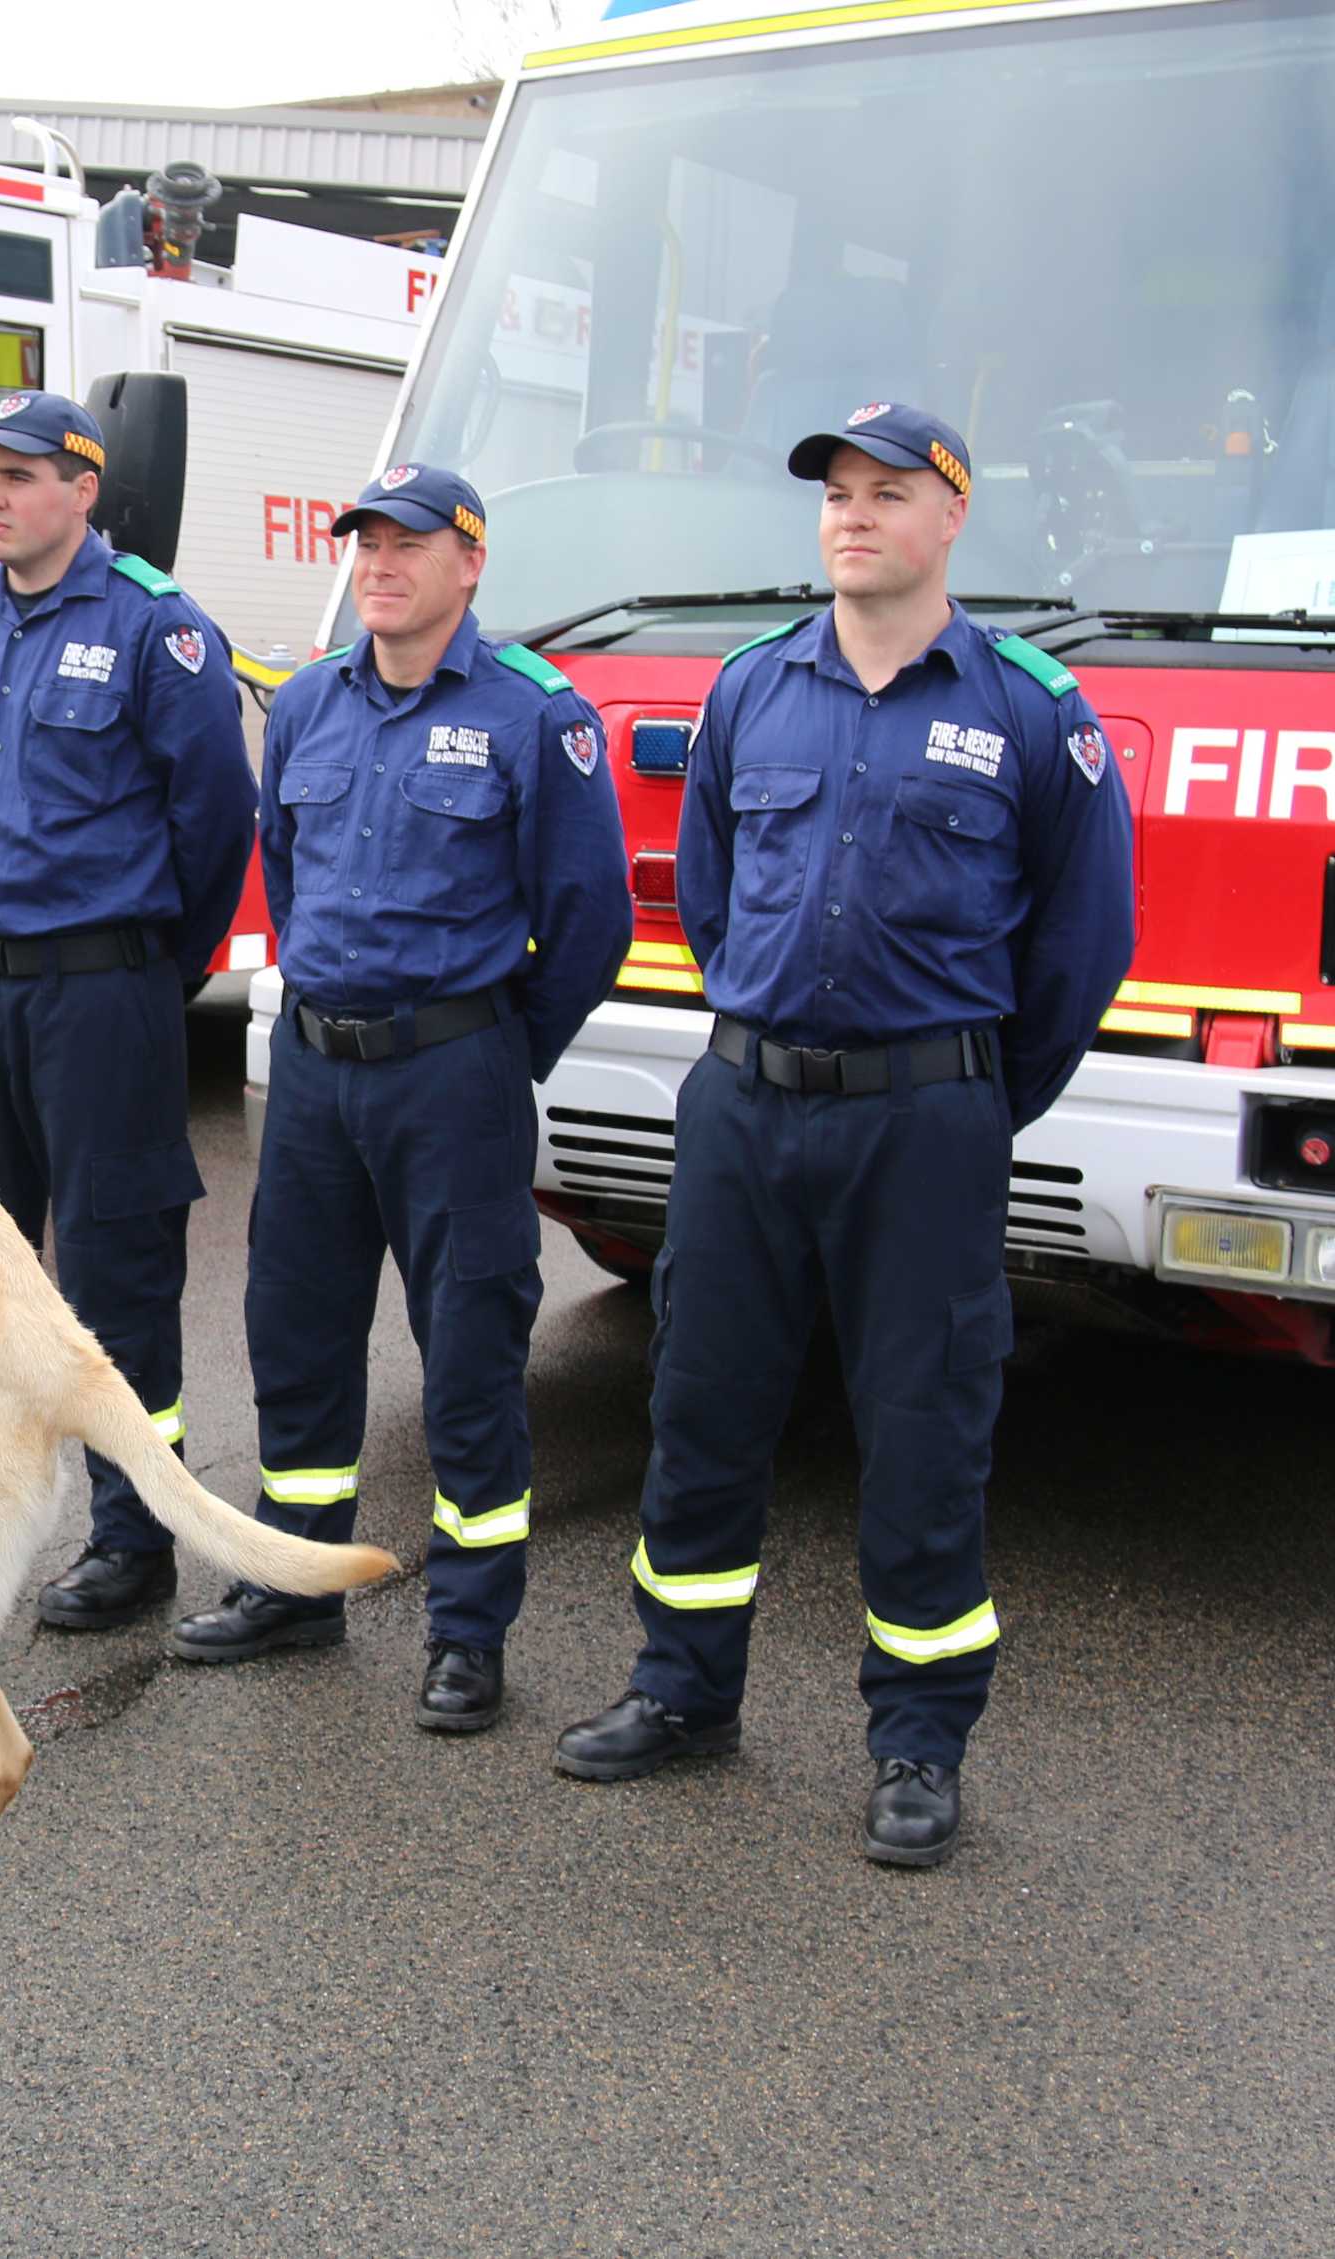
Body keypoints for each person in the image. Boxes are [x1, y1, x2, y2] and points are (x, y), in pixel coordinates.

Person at [552, 404, 1134, 1867]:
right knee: (702, 1404)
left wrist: (968, 1100)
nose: (853, 515)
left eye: (888, 494)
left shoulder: (1030, 710)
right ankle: (682, 1693)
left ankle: (919, 1744)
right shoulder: (754, 691)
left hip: (923, 1120)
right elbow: (712, 878)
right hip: (745, 1107)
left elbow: (1079, 949)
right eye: (836, 494)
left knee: (927, 1426)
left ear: (952, 518)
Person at [177, 464, 628, 1723]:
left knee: (472, 1356)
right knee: (297, 1335)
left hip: (454, 1074)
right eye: (365, 542)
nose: (379, 562)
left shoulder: (540, 717)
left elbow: (590, 919)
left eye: (409, 543)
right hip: (320, 1074)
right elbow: (286, 861)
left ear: (469, 562)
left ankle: (468, 1631)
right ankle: (297, 1585)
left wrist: (490, 1048)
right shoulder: (312, 701)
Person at [0, 391, 255, 1626]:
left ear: (83, 488)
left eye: (18, 475)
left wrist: (154, 971)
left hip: (100, 993)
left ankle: (131, 1536)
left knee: (114, 1270)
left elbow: (215, 821)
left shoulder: (159, 630)